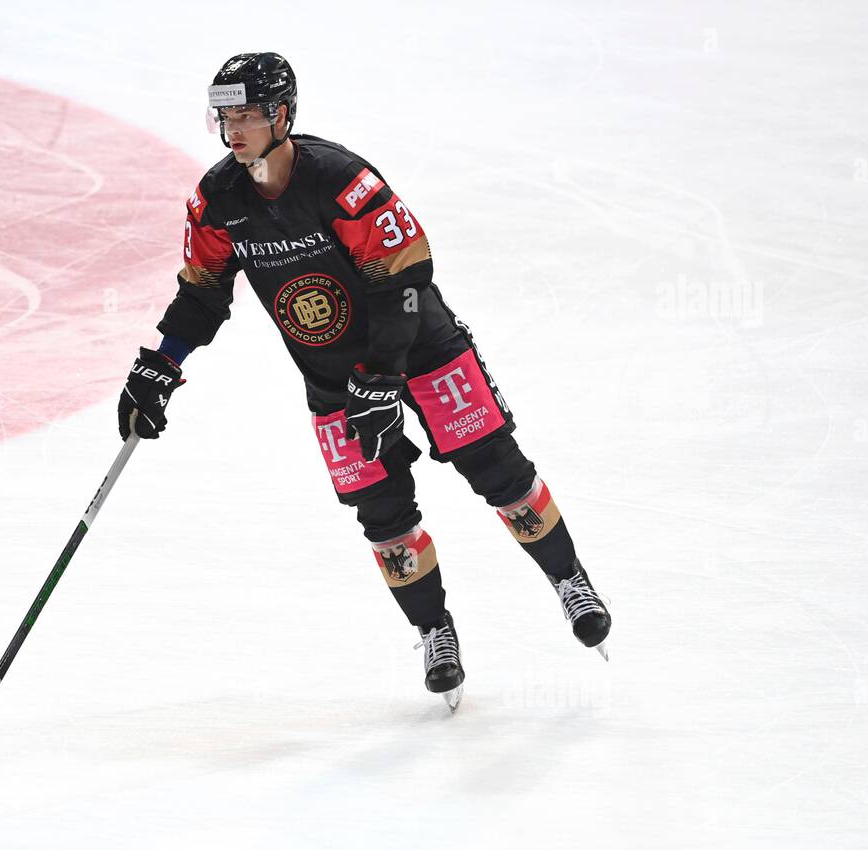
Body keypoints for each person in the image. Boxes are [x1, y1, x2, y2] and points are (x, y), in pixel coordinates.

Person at [118, 52, 610, 710]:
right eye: (224, 116)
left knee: (497, 471)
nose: (232, 129)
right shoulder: (217, 202)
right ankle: (435, 630)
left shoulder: (340, 182)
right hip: (331, 378)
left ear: (282, 115)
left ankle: (568, 579)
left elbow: (405, 279)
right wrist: (162, 360)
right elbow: (202, 296)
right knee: (380, 515)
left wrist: (382, 374)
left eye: (246, 115)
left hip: (419, 352)